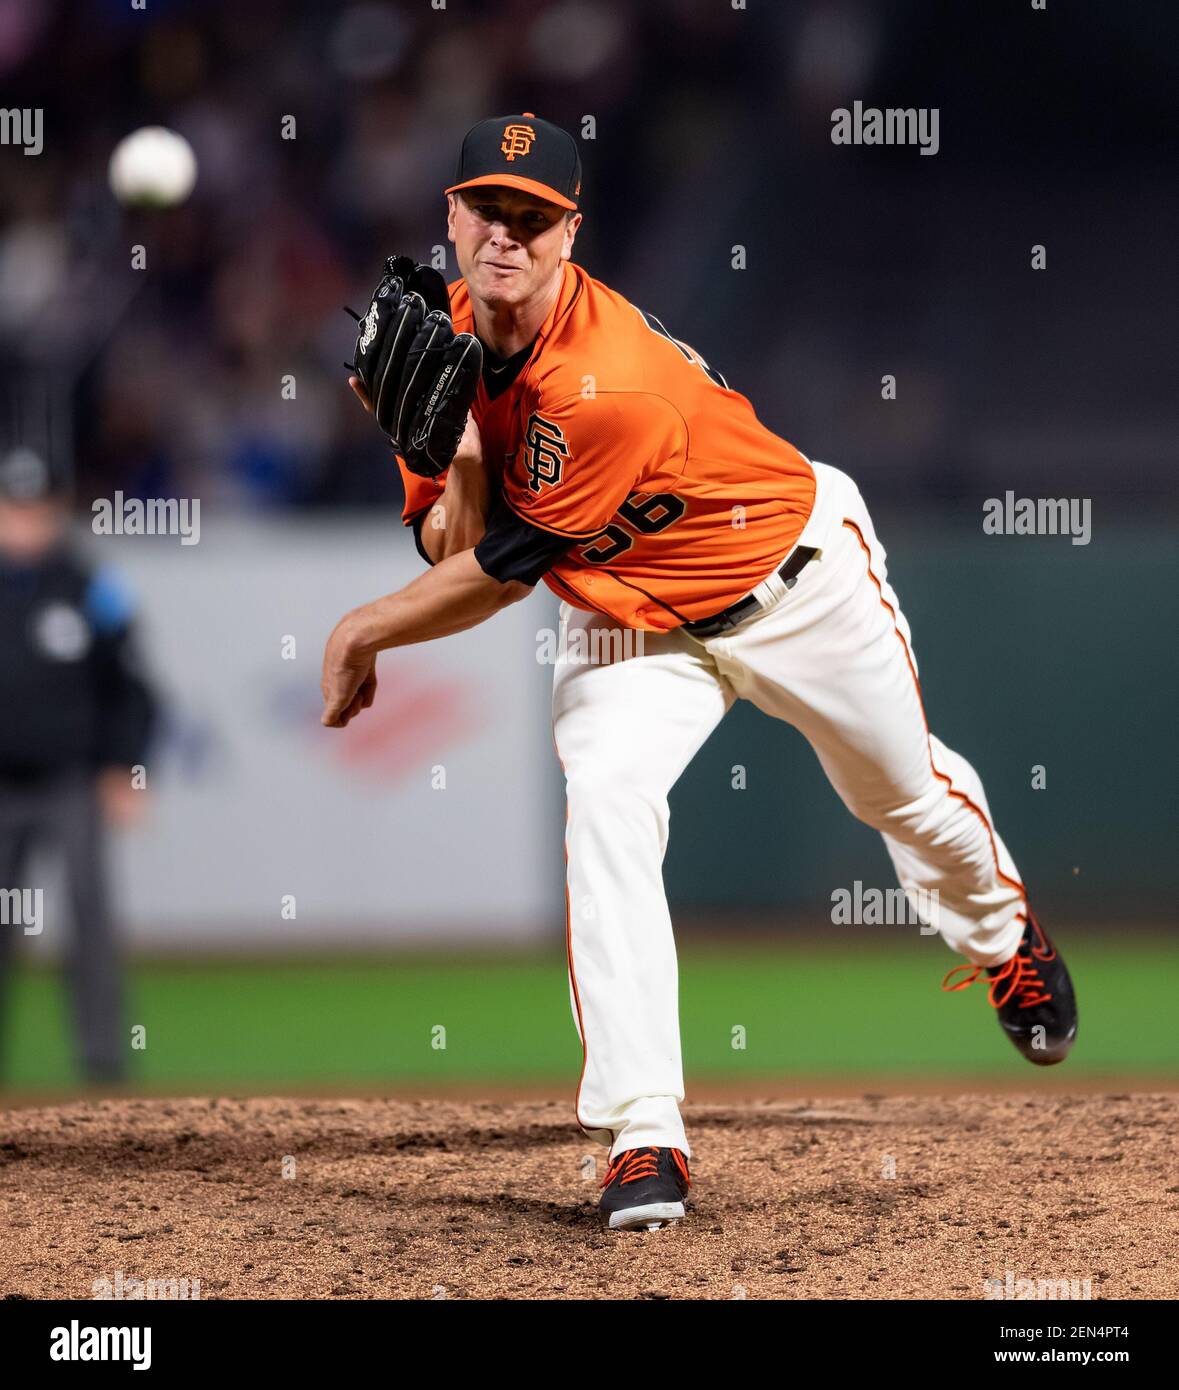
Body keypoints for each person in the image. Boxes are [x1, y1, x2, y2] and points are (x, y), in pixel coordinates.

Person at [321, 114, 1078, 1232]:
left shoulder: (604, 378)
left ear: (569, 232)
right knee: (608, 806)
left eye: (534, 217)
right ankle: (644, 1133)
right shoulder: (430, 336)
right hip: (630, 621)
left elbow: (500, 576)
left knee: (899, 792)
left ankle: (1001, 932)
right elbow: (454, 540)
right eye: (488, 208)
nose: (506, 235)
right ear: (451, 214)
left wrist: (361, 630)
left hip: (793, 578)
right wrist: (458, 455)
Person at [0, 446, 156, 1085]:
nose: (25, 523)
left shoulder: (94, 587)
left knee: (90, 922)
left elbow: (132, 688)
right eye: (14, 509)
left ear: (57, 511)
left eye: (37, 510)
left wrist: (123, 766)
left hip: (72, 781)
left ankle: (104, 1072)